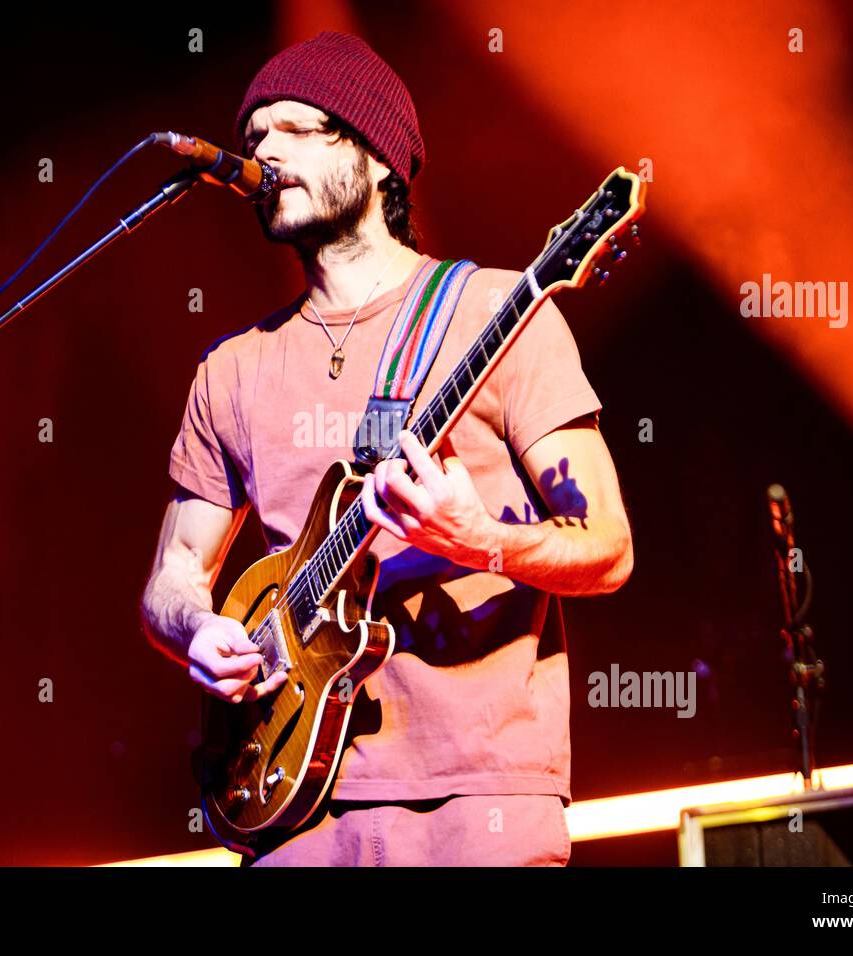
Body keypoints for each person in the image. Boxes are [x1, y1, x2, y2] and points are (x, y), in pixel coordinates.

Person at [139, 31, 633, 866]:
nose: (263, 151)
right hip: (290, 806)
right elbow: (169, 582)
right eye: (255, 137)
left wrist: (481, 543)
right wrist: (198, 629)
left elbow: (609, 550)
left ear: (375, 159)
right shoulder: (232, 368)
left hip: (475, 800)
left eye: (296, 129)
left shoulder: (496, 313)